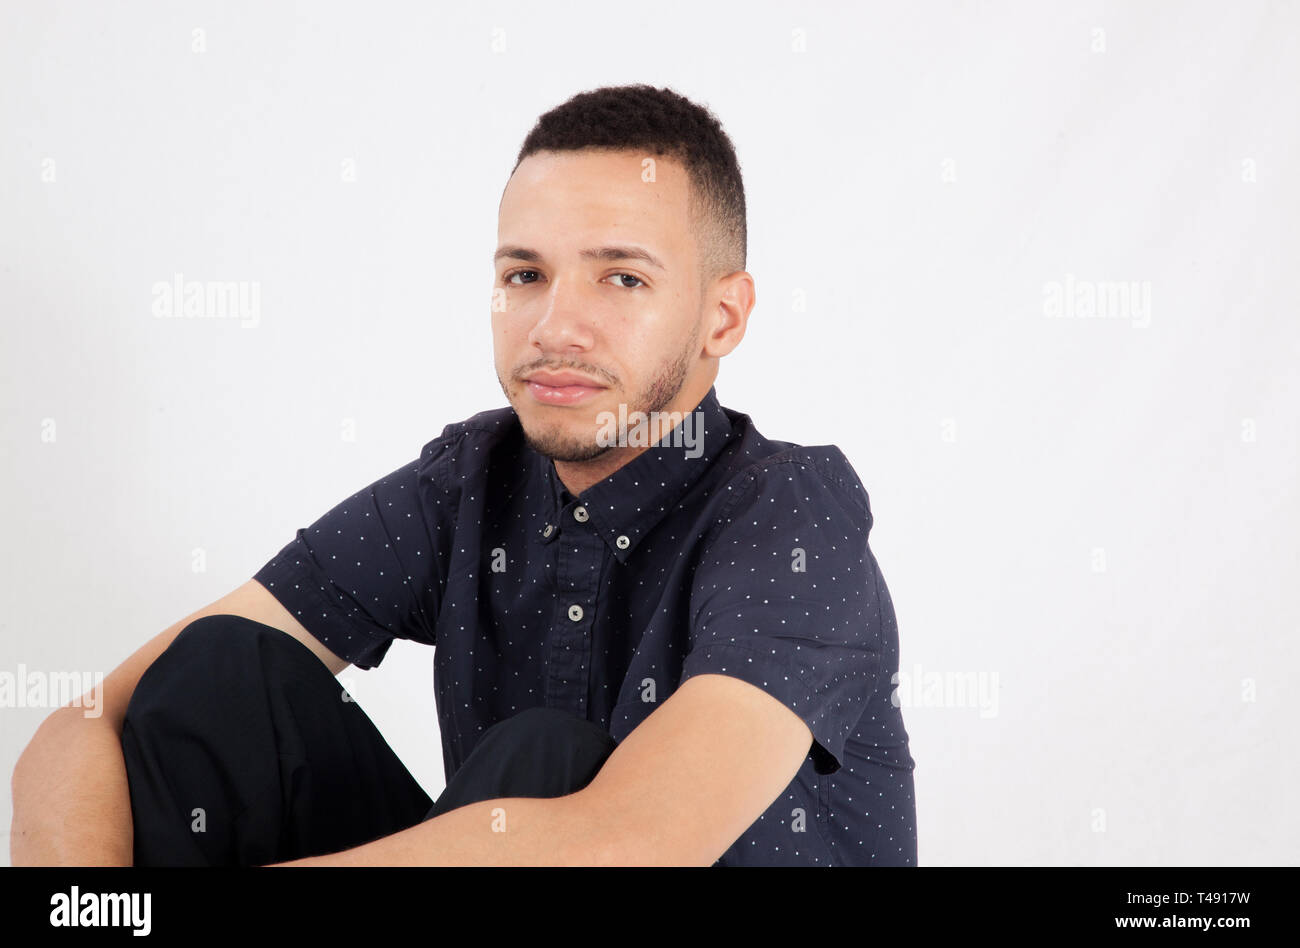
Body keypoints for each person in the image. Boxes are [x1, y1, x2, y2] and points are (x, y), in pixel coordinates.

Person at [11, 83, 916, 866]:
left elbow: (630, 840)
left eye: (623, 280)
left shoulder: (791, 516)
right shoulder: (471, 479)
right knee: (213, 677)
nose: (556, 326)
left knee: (545, 766)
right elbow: (89, 721)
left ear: (722, 317)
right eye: (526, 274)